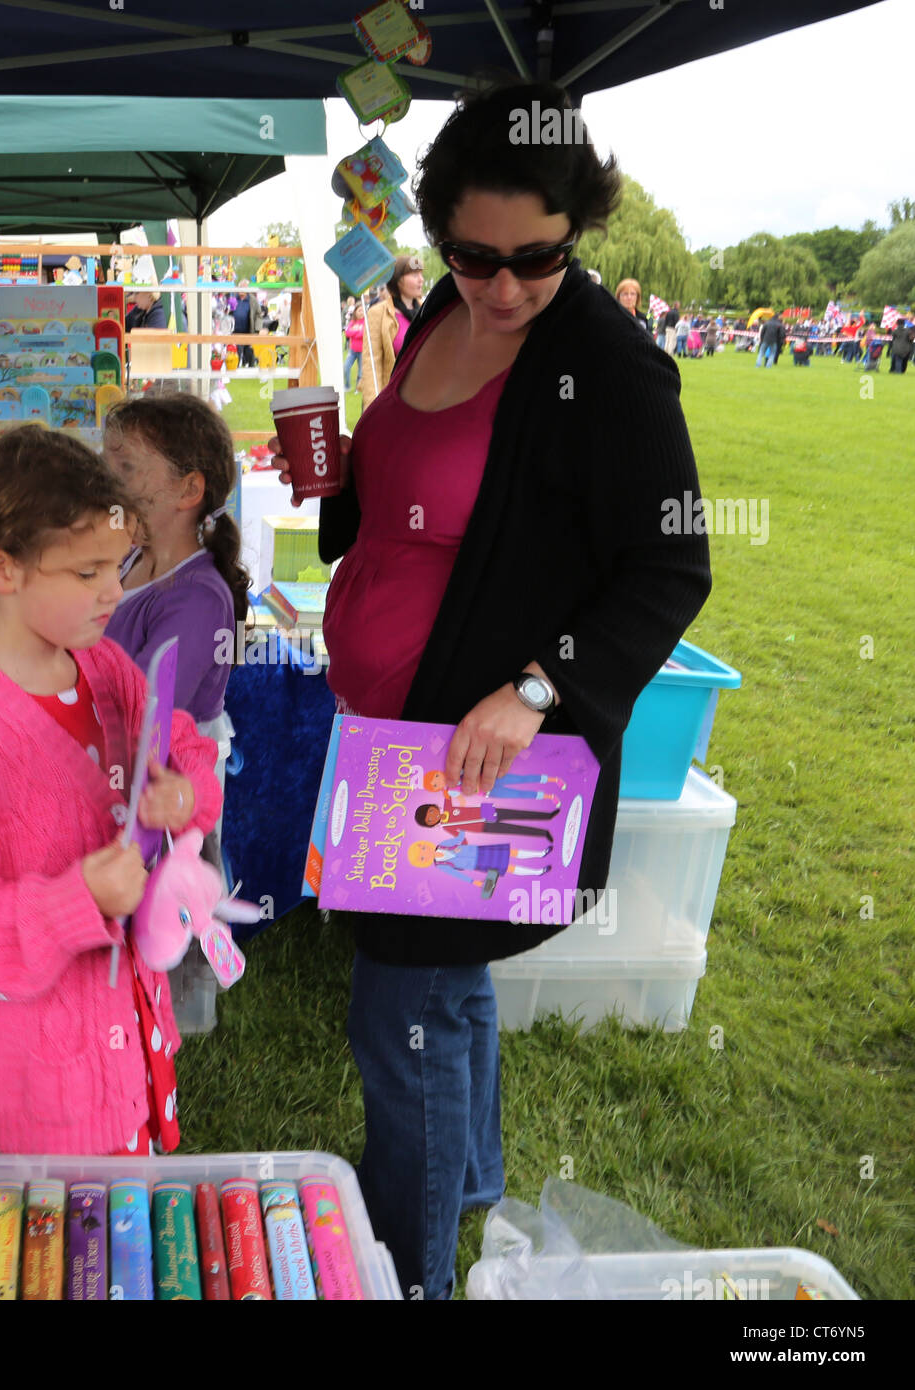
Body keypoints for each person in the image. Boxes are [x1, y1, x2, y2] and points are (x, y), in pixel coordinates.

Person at [270, 79, 711, 1300]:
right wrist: (343, 476)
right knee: (444, 989)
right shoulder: (430, 317)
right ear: (436, 231)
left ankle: (406, 1272)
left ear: (577, 234)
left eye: (536, 259)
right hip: (390, 736)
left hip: (471, 755)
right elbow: (419, 480)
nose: (503, 287)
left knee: (397, 1014)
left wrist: (536, 688)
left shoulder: (607, 368)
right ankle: (463, 1192)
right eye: (472, 256)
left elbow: (668, 563)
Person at [0, 427, 223, 1156]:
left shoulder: (104, 667)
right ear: (3, 572)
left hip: (128, 1026)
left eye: (121, 563)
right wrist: (78, 901)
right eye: (86, 574)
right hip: (48, 1075)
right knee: (70, 1245)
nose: (115, 590)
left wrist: (184, 792)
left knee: (132, 1211)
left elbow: (185, 744)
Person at [101, 395, 249, 729]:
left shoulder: (199, 599)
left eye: (127, 469)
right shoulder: (129, 558)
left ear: (189, 490)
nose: (104, 485)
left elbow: (140, 718)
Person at [360, 254, 425, 413]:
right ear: (398, 280)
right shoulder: (378, 313)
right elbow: (371, 365)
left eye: (421, 274)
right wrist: (373, 409)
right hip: (394, 404)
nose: (421, 279)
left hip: (425, 401)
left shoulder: (427, 309)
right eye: (415, 274)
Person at [344, 309, 366, 390]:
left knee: (360, 372)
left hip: (362, 351)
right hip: (352, 351)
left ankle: (358, 388)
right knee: (346, 367)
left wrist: (353, 333)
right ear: (355, 312)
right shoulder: (352, 322)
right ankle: (347, 386)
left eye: (363, 310)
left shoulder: (366, 322)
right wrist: (357, 332)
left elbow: (363, 333)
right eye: (359, 310)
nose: (361, 312)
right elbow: (347, 333)